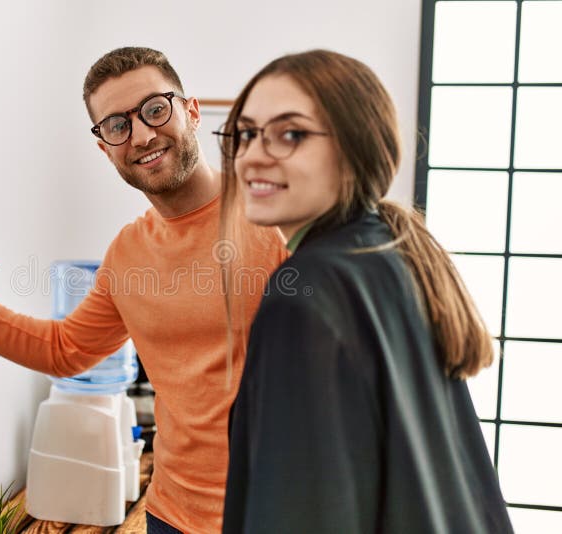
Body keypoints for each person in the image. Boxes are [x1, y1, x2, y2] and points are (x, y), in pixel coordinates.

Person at [0, 47, 287, 533]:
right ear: (105, 147)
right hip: (172, 514)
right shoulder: (129, 253)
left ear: (191, 112)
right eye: (117, 125)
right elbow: (65, 350)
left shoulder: (275, 216)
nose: (142, 135)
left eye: (155, 109)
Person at [217, 50, 514, 533]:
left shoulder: (304, 296)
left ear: (355, 149)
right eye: (246, 133)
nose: (252, 155)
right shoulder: (392, 252)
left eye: (289, 134)